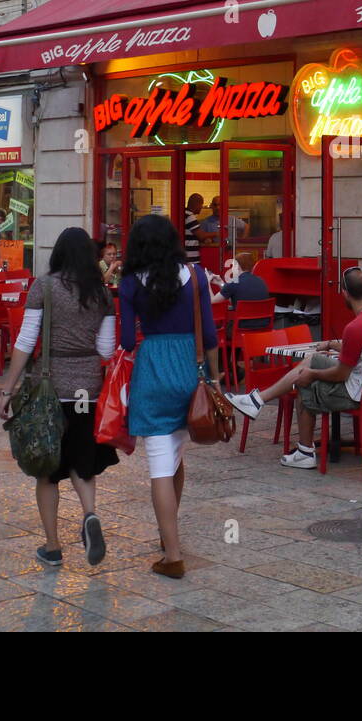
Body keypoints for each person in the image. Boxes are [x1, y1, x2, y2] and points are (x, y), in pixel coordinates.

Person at [0, 228, 118, 568]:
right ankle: (90, 515)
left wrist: (8, 389)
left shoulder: (44, 286)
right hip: (88, 391)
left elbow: (25, 341)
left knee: (47, 469)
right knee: (83, 460)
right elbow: (106, 348)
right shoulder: (101, 293)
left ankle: (52, 547)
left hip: (50, 389)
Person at [119, 214, 220, 578]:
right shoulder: (195, 277)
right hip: (190, 371)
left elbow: (128, 341)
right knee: (176, 456)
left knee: (160, 465)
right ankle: (168, 534)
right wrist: (217, 378)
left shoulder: (130, 283)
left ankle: (173, 554)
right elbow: (209, 334)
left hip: (153, 370)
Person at [224, 268, 362, 468]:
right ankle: (256, 400)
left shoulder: (357, 326)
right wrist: (334, 345)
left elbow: (340, 374)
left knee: (305, 382)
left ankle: (305, 453)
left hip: (361, 394)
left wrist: (312, 375)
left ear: (344, 292)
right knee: (313, 359)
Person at [220, 252, 270, 331]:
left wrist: (207, 283)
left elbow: (212, 300)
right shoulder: (261, 281)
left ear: (238, 266)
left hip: (241, 329)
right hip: (263, 328)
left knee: (219, 329)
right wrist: (220, 283)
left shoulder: (233, 283)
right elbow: (236, 296)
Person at [182, 193, 204, 263]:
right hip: (190, 259)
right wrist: (217, 233)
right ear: (196, 204)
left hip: (186, 257)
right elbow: (201, 236)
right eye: (201, 204)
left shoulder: (184, 213)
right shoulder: (189, 216)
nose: (201, 207)